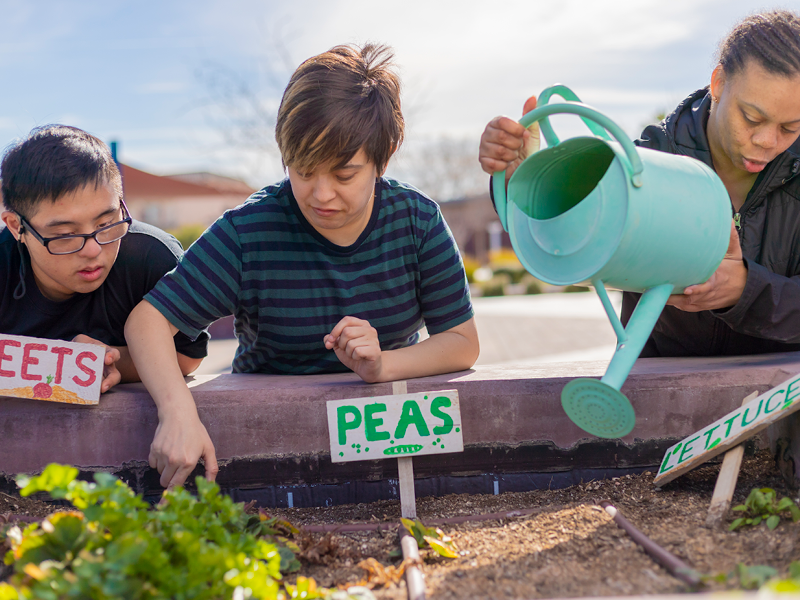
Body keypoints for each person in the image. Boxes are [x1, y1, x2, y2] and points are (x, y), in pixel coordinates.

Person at [125, 43, 480, 490]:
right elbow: (148, 322)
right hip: (266, 446)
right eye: (303, 170)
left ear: (383, 157)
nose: (321, 194)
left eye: (344, 174)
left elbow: (462, 343)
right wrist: (177, 411)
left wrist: (381, 366)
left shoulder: (417, 221)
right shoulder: (248, 231)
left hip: (387, 443)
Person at [478, 9, 800, 358]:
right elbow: (567, 246)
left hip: (787, 387)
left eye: (790, 127)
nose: (767, 141)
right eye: (752, 118)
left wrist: (748, 291)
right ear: (718, 83)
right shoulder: (642, 162)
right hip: (661, 385)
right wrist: (526, 182)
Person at [0, 125, 208, 392]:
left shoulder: (152, 257)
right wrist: (59, 361)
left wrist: (104, 361)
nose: (93, 250)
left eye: (106, 223)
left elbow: (187, 356)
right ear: (16, 226)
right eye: (65, 234)